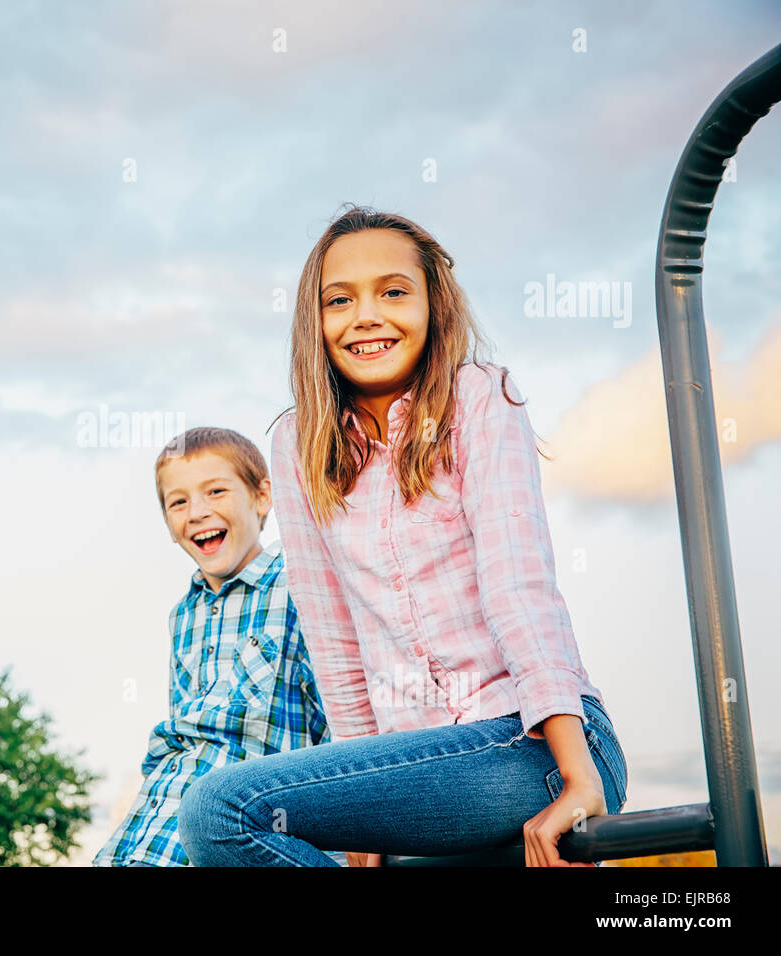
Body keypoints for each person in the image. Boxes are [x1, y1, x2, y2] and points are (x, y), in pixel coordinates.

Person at [176, 204, 629, 867]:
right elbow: (336, 643)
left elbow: (518, 588)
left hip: (531, 744)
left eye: (393, 291)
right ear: (315, 322)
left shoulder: (479, 398)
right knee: (225, 824)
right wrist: (357, 837)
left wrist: (579, 774)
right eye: (340, 299)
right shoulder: (297, 445)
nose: (366, 314)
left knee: (218, 808)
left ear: (432, 305)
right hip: (420, 775)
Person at [93, 426, 339, 866]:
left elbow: (341, 719)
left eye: (216, 491)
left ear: (262, 497)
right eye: (179, 502)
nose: (197, 512)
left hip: (239, 826)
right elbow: (183, 732)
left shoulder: (297, 585)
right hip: (153, 826)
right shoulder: (182, 615)